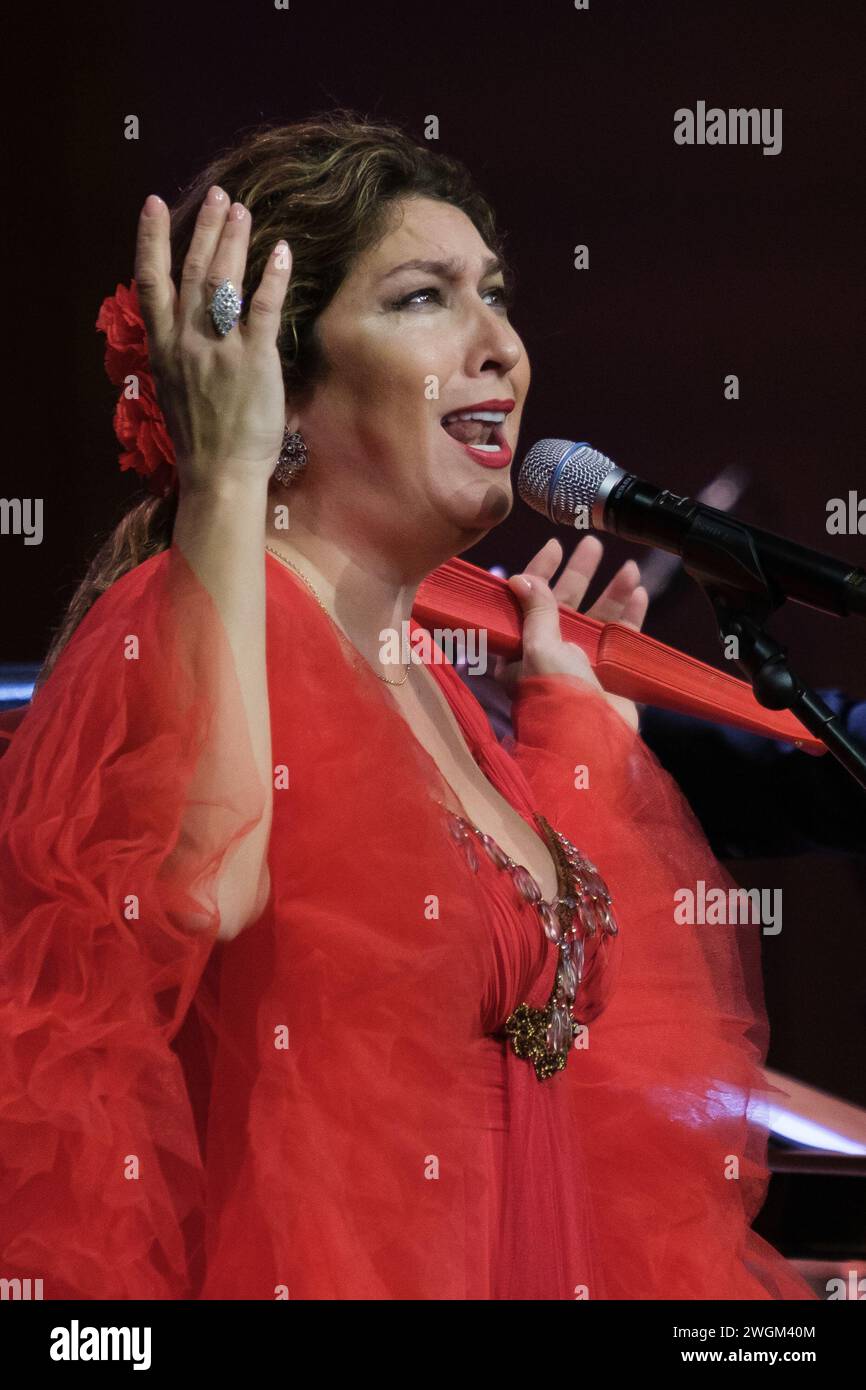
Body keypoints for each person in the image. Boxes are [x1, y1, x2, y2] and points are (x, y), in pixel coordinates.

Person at [0, 112, 816, 1300]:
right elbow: (193, 889)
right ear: (277, 373)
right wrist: (226, 476)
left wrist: (583, 741)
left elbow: (565, 1066)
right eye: (425, 297)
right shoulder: (173, 618)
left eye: (496, 292)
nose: (500, 344)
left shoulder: (438, 690)